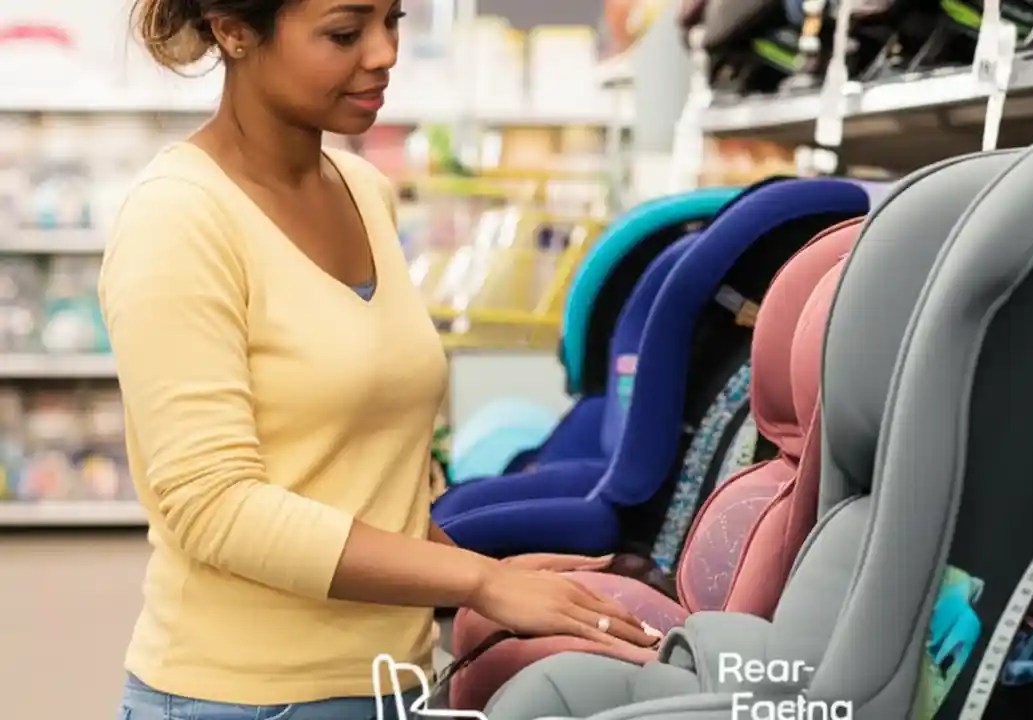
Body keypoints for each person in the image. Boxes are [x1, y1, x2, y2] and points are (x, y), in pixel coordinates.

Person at [105, 1, 654, 717]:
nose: (384, 52)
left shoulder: (365, 192)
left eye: (392, 21)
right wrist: (474, 582)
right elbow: (214, 507)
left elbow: (369, 473)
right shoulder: (179, 217)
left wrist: (485, 572)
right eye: (345, 32)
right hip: (240, 696)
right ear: (234, 30)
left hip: (395, 680)